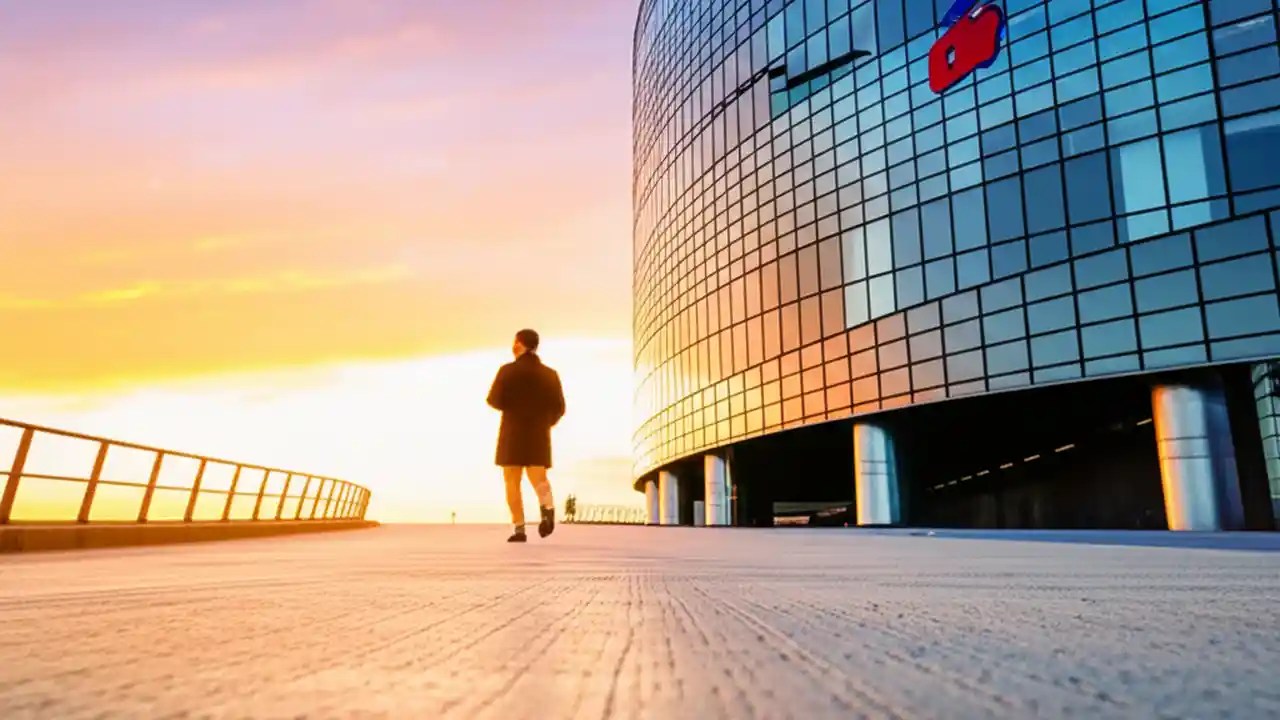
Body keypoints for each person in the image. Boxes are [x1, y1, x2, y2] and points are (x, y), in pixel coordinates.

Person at [486, 328, 565, 543]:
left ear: (519, 344)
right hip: (539, 433)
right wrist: (546, 423)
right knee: (539, 478)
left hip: (512, 432)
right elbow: (560, 407)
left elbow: (493, 400)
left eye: (514, 342)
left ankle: (519, 528)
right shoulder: (550, 374)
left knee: (512, 480)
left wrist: (512, 406)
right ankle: (547, 509)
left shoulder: (507, 371)